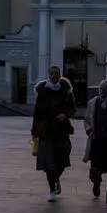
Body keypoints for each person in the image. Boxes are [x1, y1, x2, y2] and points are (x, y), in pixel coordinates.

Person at [31, 66, 76, 202]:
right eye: (51, 73)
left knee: (61, 160)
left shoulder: (66, 91)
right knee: (48, 162)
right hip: (46, 131)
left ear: (60, 75)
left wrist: (65, 115)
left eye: (56, 73)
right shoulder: (42, 92)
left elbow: (73, 108)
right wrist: (34, 132)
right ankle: (52, 189)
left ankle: (56, 179)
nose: (54, 76)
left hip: (61, 130)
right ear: (48, 75)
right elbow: (37, 113)